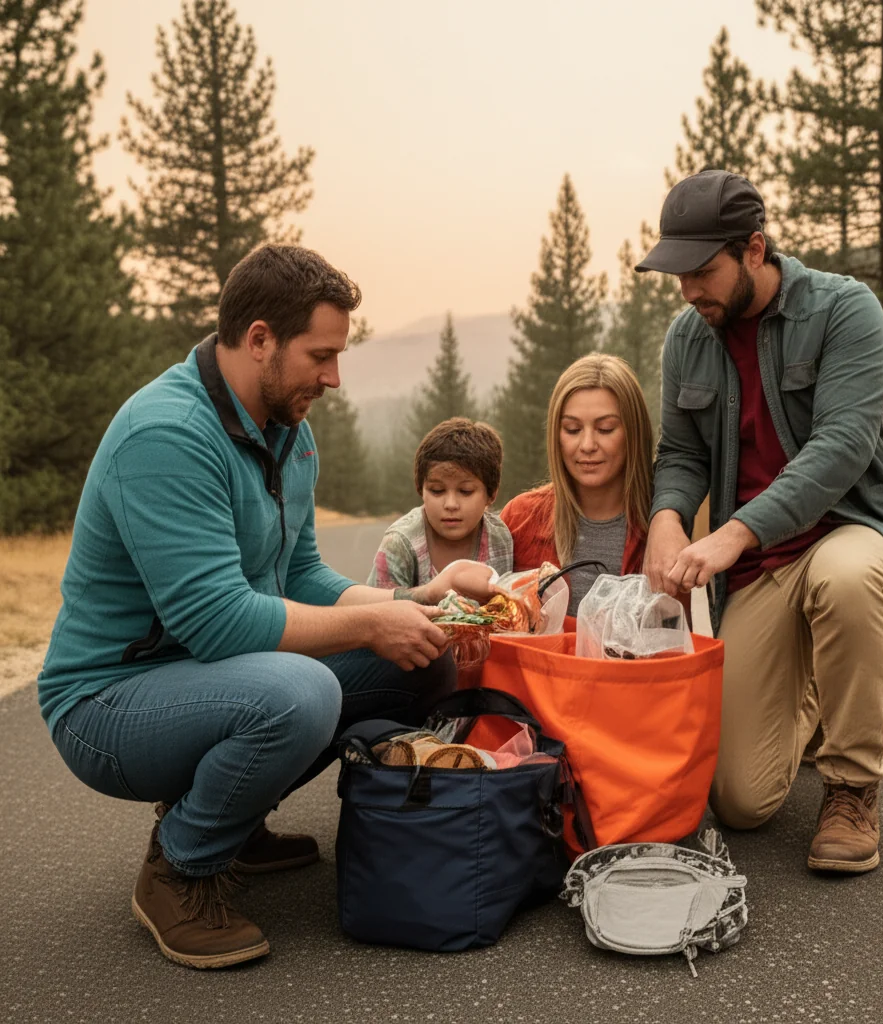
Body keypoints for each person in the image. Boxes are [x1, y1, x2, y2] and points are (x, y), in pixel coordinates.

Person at [36, 244, 496, 969]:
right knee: (300, 691)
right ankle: (180, 868)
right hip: (104, 705)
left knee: (419, 658)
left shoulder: (289, 433)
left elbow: (301, 573)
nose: (334, 377)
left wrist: (415, 602)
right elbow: (217, 621)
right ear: (259, 340)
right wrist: (371, 623)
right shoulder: (167, 434)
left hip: (206, 679)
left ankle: (230, 818)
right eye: (321, 354)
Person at [637, 169, 883, 873]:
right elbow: (680, 452)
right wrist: (669, 520)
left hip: (853, 532)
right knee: (739, 802)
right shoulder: (687, 338)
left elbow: (840, 448)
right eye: (677, 275)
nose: (689, 291)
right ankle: (814, 702)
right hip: (764, 570)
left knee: (847, 579)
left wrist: (731, 533)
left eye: (703, 272)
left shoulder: (844, 310)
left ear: (756, 250)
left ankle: (853, 787)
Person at [501, 354, 653, 617]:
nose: (587, 445)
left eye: (605, 429)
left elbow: (674, 637)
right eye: (572, 429)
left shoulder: (660, 523)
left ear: (633, 433)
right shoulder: (519, 519)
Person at [367, 417, 514, 589]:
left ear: (491, 494)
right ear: (421, 489)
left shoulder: (499, 539)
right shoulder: (400, 546)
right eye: (437, 490)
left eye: (465, 491)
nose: (450, 504)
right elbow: (380, 611)